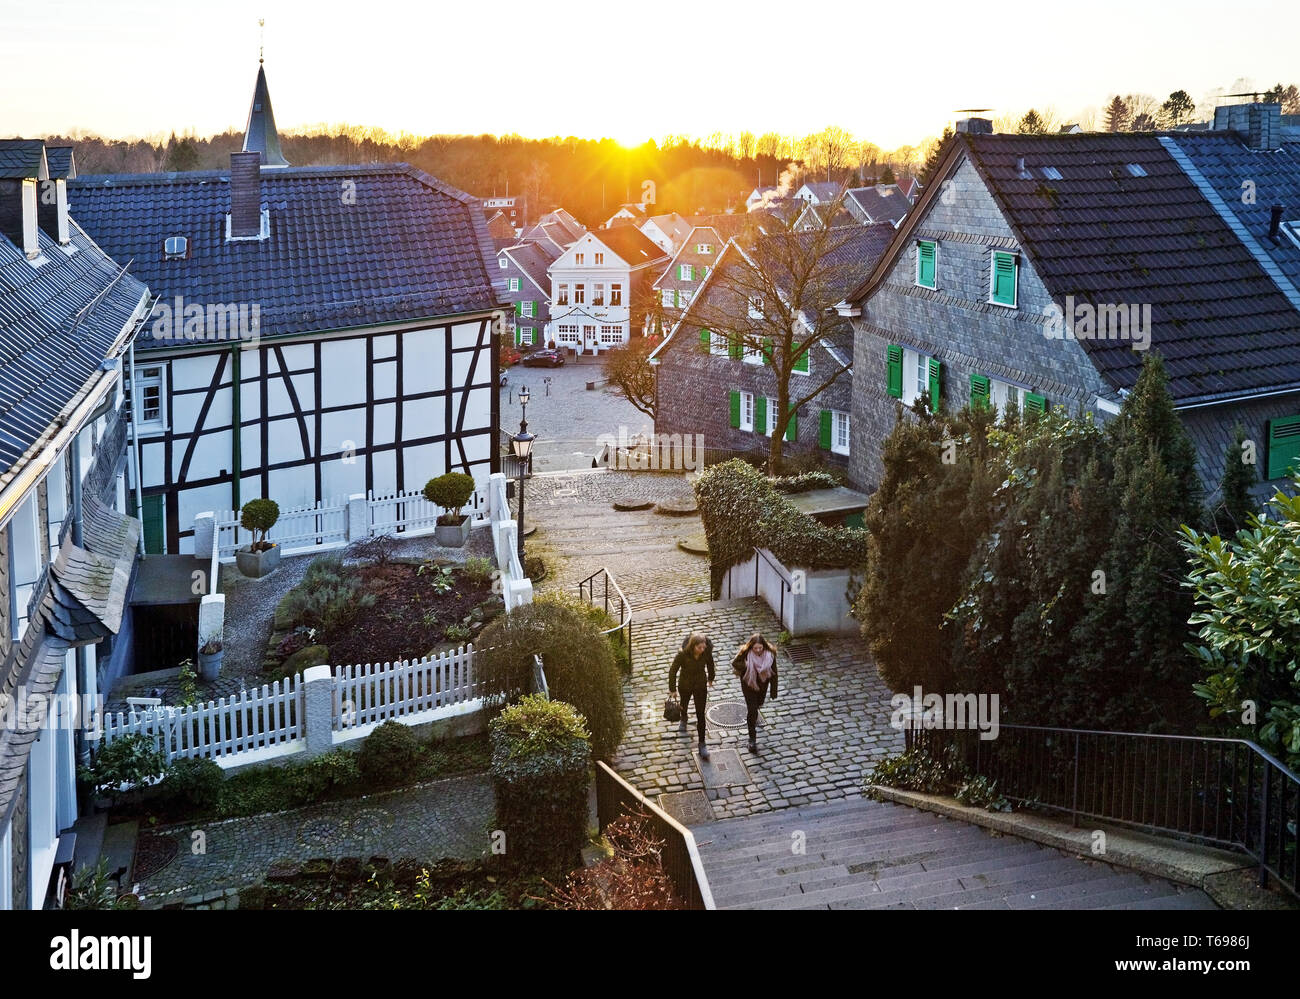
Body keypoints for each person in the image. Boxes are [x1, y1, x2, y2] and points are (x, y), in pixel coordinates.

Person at [669, 631, 715, 759]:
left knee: (701, 714)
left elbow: (710, 664)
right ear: (693, 646)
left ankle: (702, 743)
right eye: (699, 647)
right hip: (685, 685)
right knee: (684, 704)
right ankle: (684, 718)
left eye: (703, 647)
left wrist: (711, 678)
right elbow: (673, 671)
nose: (702, 650)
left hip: (700, 685)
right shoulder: (683, 655)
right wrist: (672, 689)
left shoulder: (706, 653)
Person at [731, 633, 778, 753]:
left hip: (762, 686)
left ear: (764, 647)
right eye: (755, 648)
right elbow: (735, 663)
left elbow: (774, 673)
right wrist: (746, 666)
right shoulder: (746, 653)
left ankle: (755, 715)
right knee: (752, 710)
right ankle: (752, 739)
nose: (757, 650)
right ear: (751, 646)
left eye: (760, 648)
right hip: (748, 685)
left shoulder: (770, 655)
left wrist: (773, 691)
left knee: (758, 705)